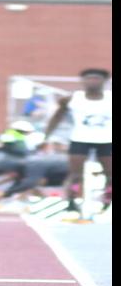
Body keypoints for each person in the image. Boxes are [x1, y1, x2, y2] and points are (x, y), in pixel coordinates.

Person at [44, 68, 112, 212]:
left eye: (96, 78)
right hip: (80, 139)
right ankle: (71, 201)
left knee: (110, 174)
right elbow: (57, 117)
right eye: (88, 78)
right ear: (82, 81)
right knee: (75, 174)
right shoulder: (72, 99)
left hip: (107, 140)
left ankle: (107, 201)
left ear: (104, 81)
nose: (92, 81)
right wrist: (47, 135)